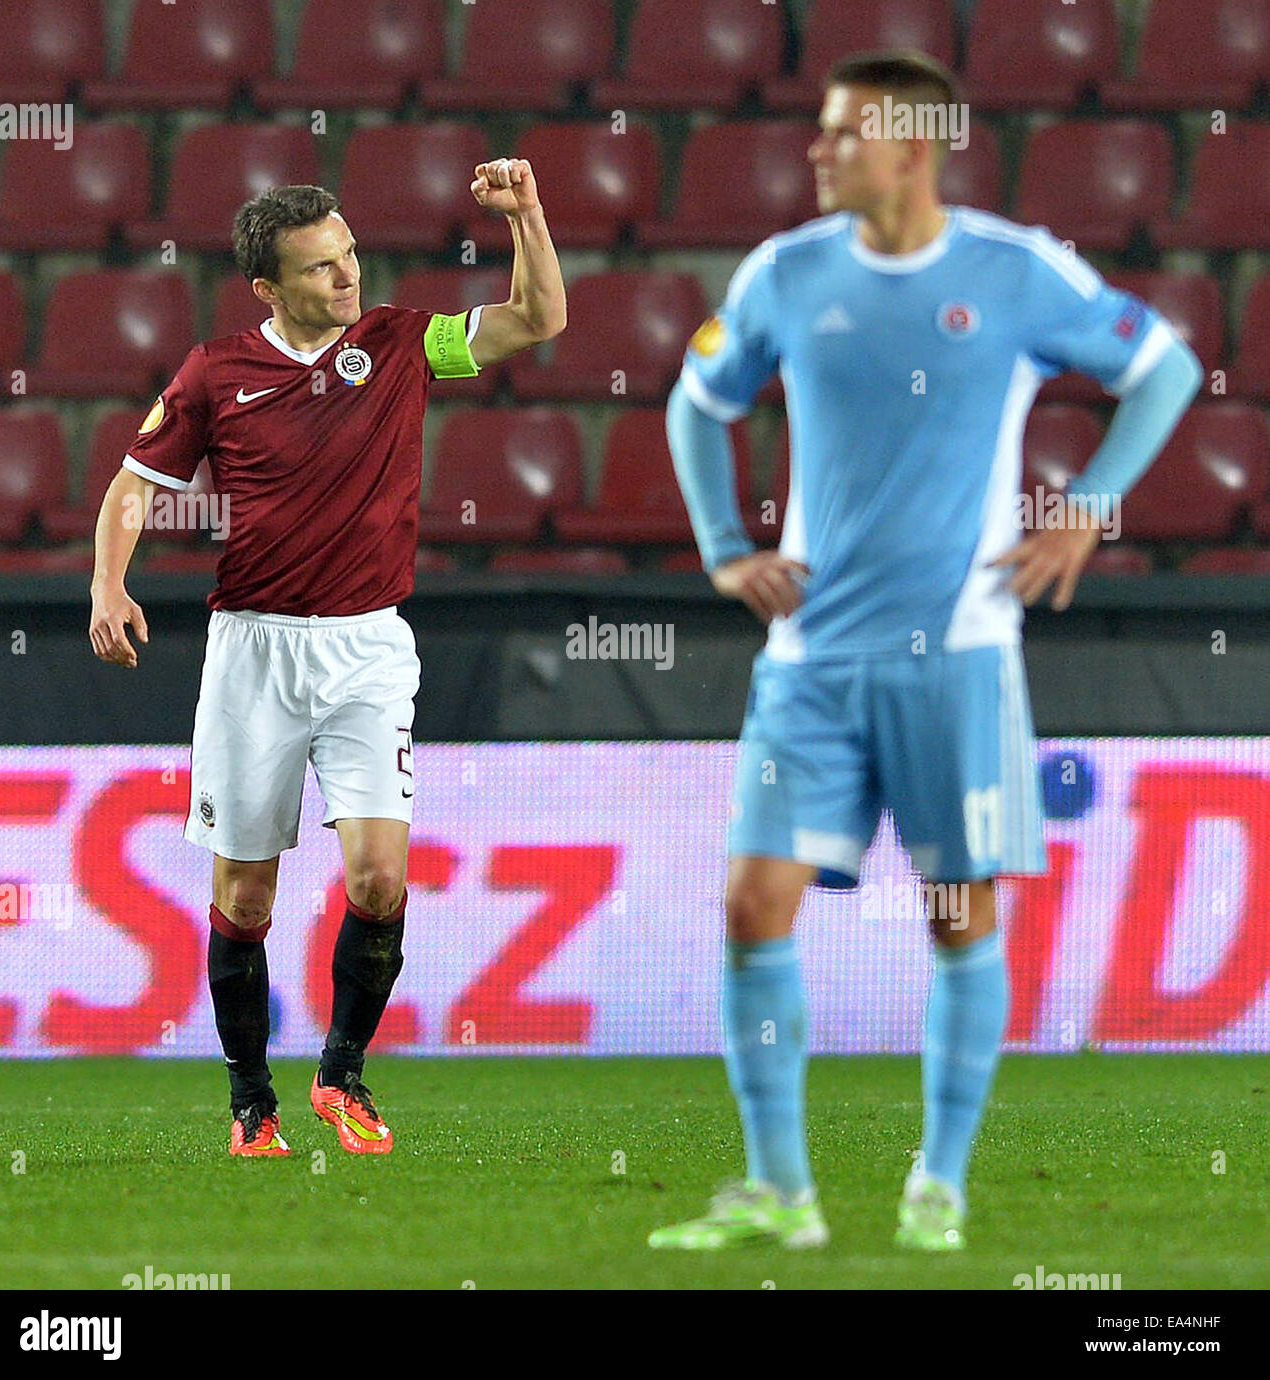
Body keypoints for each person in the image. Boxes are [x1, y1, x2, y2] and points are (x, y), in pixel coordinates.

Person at [654, 51, 1202, 1249]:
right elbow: (697, 404)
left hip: (955, 657)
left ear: (911, 146)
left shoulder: (1014, 271)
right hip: (808, 659)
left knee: (958, 915)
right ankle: (779, 1193)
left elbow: (1163, 368)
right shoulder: (782, 275)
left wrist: (1087, 505)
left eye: (841, 133)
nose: (816, 151)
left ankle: (937, 1184)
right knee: (753, 907)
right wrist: (719, 549)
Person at [89, 162, 566, 1156]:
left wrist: (526, 216)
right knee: (244, 897)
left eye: (349, 257)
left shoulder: (401, 342)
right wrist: (108, 583)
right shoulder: (215, 372)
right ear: (268, 288)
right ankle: (250, 1106)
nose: (347, 278)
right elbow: (135, 486)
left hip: (367, 646)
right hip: (254, 650)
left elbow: (535, 321)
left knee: (381, 878)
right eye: (321, 268)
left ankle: (341, 1077)